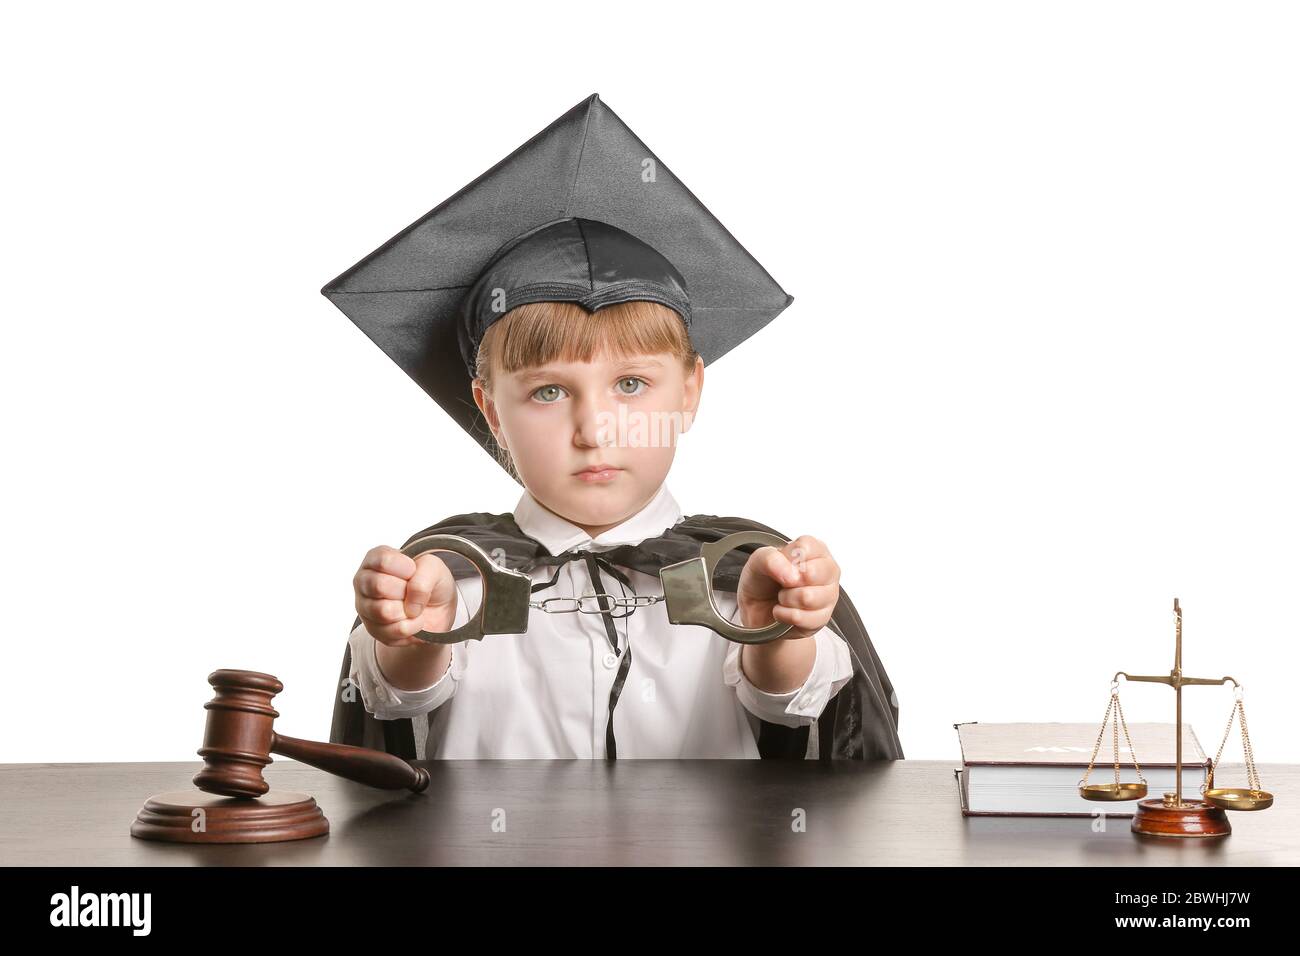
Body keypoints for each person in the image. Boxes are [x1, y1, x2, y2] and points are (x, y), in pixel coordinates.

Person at [322, 94, 903, 761]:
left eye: (631, 385)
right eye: (547, 391)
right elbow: (400, 695)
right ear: (490, 412)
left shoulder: (743, 574)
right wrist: (412, 636)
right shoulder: (450, 579)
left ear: (689, 391)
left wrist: (782, 630)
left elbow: (787, 701)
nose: (594, 429)